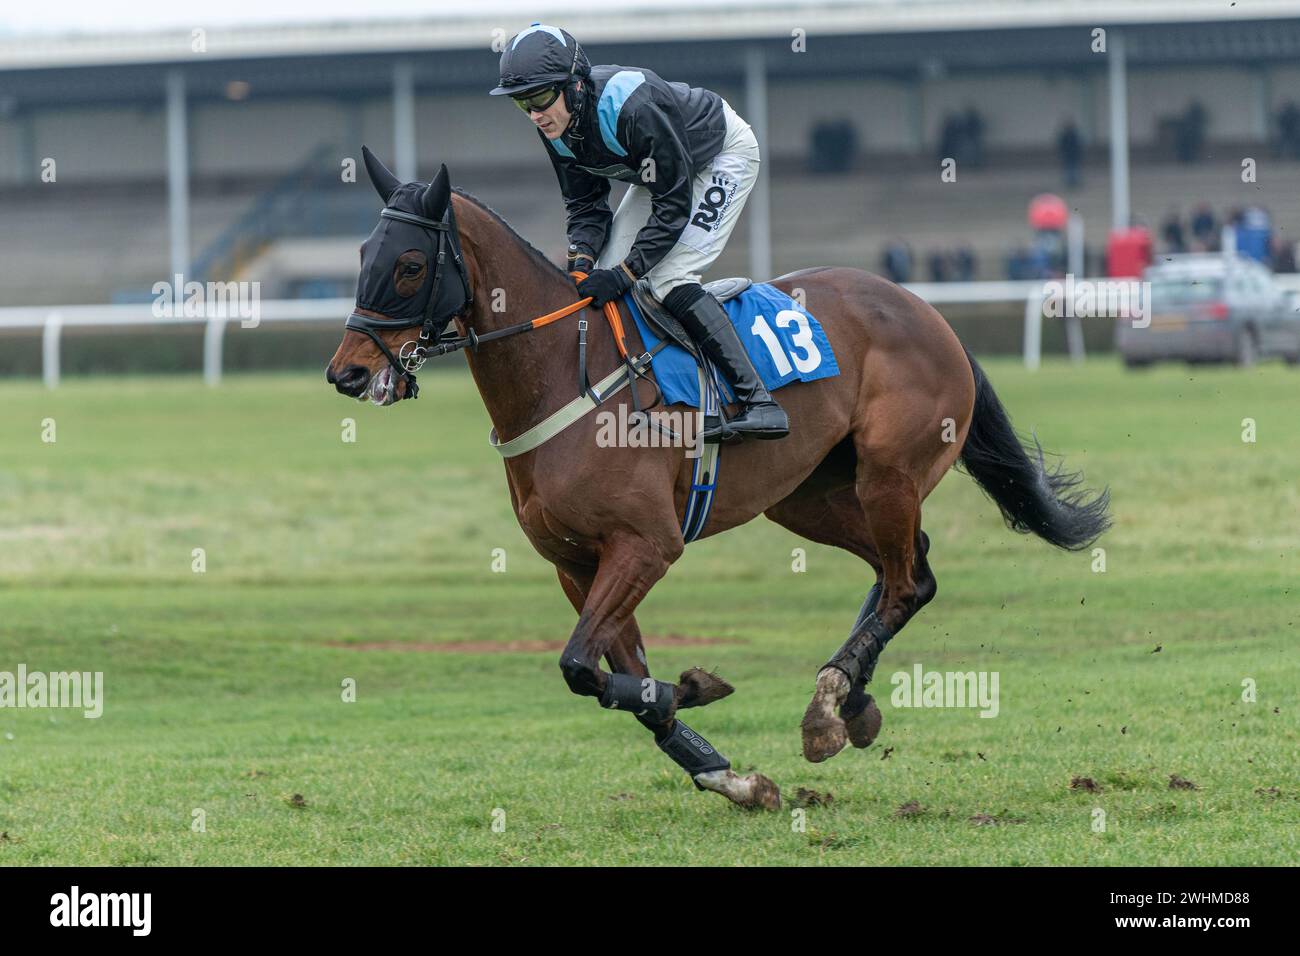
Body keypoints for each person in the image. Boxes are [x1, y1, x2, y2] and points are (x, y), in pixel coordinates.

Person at [490, 23, 788, 441]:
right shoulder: (555, 127)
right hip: (662, 178)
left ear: (575, 87)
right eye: (523, 104)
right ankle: (638, 393)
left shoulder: (632, 104)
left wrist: (625, 273)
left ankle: (758, 402)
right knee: (600, 281)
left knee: (666, 278)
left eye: (539, 97)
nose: (535, 114)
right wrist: (582, 263)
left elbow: (673, 208)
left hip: (720, 156)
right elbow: (585, 206)